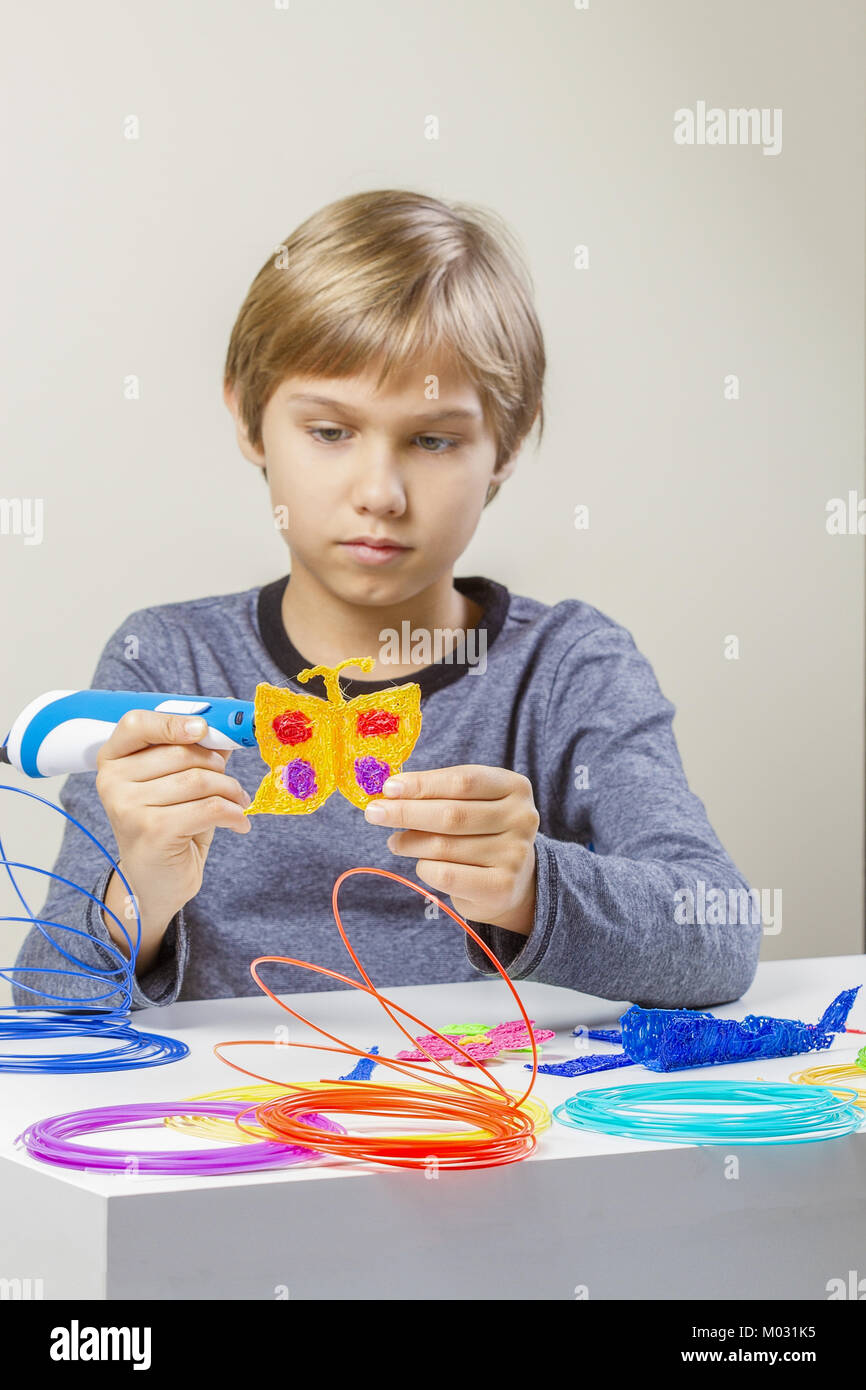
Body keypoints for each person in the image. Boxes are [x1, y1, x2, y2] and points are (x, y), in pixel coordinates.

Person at [13, 188, 760, 1010]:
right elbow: (49, 1009)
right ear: (250, 418)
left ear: (506, 443)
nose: (380, 493)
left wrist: (532, 886)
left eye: (434, 440)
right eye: (330, 432)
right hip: (232, 1133)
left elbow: (718, 939)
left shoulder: (568, 669)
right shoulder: (164, 658)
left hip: (494, 1129)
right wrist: (137, 899)